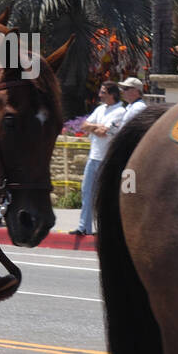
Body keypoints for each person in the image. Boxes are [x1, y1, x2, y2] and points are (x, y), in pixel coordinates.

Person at [73, 81, 124, 238]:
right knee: (86, 191)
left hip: (106, 159)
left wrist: (93, 127)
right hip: (93, 157)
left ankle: (105, 227)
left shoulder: (120, 111)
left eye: (103, 92)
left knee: (105, 196)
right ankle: (84, 227)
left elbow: (105, 132)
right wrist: (96, 127)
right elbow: (83, 125)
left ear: (112, 94)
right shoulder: (100, 109)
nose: (100, 95)